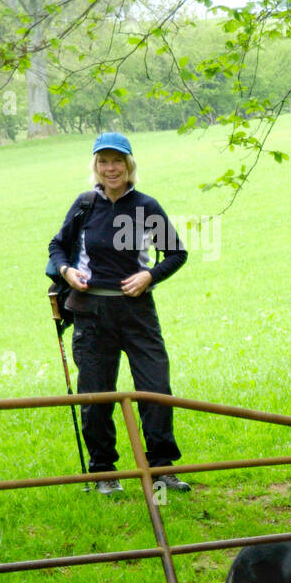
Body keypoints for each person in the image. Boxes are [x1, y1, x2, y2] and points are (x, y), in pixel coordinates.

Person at [47, 132, 190, 496]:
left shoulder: (146, 206)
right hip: (91, 312)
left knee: (156, 389)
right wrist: (66, 272)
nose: (111, 168)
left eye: (118, 161)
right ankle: (103, 472)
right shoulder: (84, 206)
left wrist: (149, 275)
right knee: (96, 394)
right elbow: (57, 247)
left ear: (130, 165)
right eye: (104, 161)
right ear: (95, 166)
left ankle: (160, 469)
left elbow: (175, 253)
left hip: (137, 311)